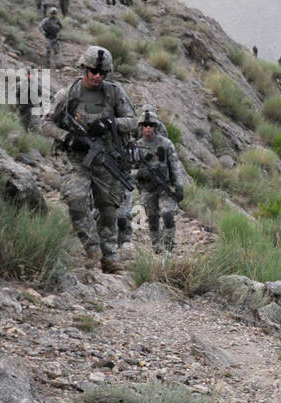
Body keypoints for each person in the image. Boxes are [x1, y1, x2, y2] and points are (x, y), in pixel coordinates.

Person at [41, 44, 137, 273]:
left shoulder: (114, 93)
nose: (96, 76)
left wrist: (111, 123)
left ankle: (110, 258)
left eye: (101, 73)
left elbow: (132, 121)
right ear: (84, 68)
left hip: (106, 158)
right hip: (77, 159)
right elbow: (45, 124)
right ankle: (92, 249)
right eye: (92, 71)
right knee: (75, 198)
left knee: (108, 209)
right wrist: (69, 138)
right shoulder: (68, 94)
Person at [133, 107, 186, 253]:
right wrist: (140, 172)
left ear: (156, 127)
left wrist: (179, 186)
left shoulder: (166, 144)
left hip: (165, 187)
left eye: (151, 125)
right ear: (141, 127)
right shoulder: (136, 147)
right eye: (145, 125)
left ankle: (168, 244)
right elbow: (128, 170)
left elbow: (175, 165)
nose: (148, 128)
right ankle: (157, 246)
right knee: (153, 218)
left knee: (168, 215)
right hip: (147, 188)